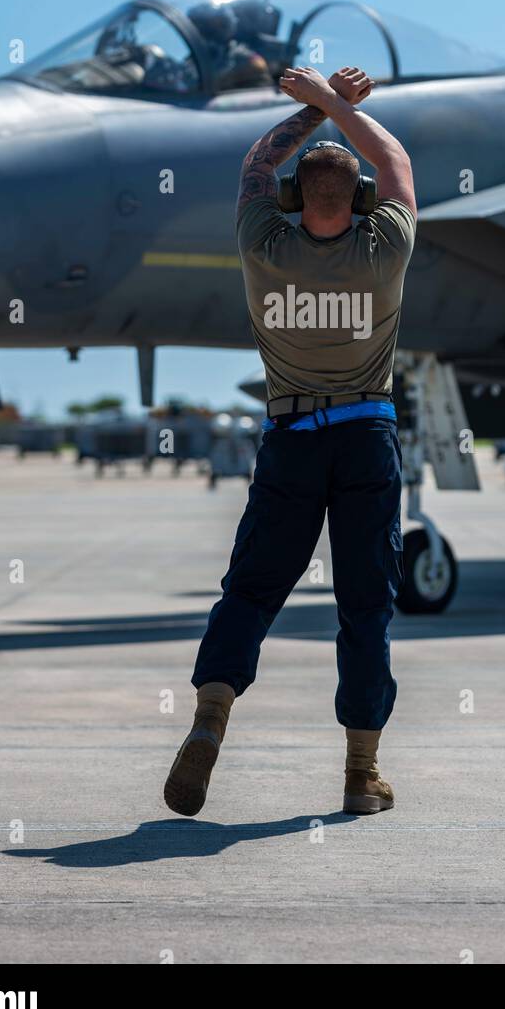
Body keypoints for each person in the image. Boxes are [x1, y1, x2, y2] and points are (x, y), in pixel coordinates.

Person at [164, 65, 417, 817]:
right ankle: (360, 776)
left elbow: (255, 166)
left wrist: (307, 110)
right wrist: (339, 104)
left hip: (290, 439)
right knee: (364, 609)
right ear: (362, 201)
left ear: (291, 200)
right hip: (366, 436)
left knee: (250, 592)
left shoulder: (262, 243)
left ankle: (211, 718)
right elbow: (396, 164)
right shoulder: (387, 250)